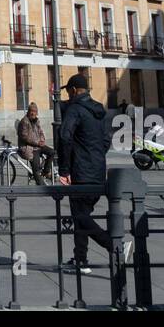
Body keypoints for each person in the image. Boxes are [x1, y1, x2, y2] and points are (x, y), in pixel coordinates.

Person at [58, 74, 113, 274]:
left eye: (67, 91)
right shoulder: (99, 110)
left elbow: (65, 136)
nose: (67, 95)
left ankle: (113, 245)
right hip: (98, 170)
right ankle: (81, 260)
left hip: (80, 172)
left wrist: (64, 169)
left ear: (73, 90)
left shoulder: (75, 109)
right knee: (82, 215)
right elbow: (106, 140)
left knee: (80, 215)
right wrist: (95, 157)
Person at [17, 102, 55, 184]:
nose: (33, 113)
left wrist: (42, 140)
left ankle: (46, 171)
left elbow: (41, 132)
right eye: (31, 111)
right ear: (28, 111)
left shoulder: (36, 121)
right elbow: (24, 137)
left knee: (52, 152)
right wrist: (37, 143)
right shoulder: (24, 122)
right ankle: (41, 186)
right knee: (36, 168)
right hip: (29, 148)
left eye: (34, 111)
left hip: (38, 146)